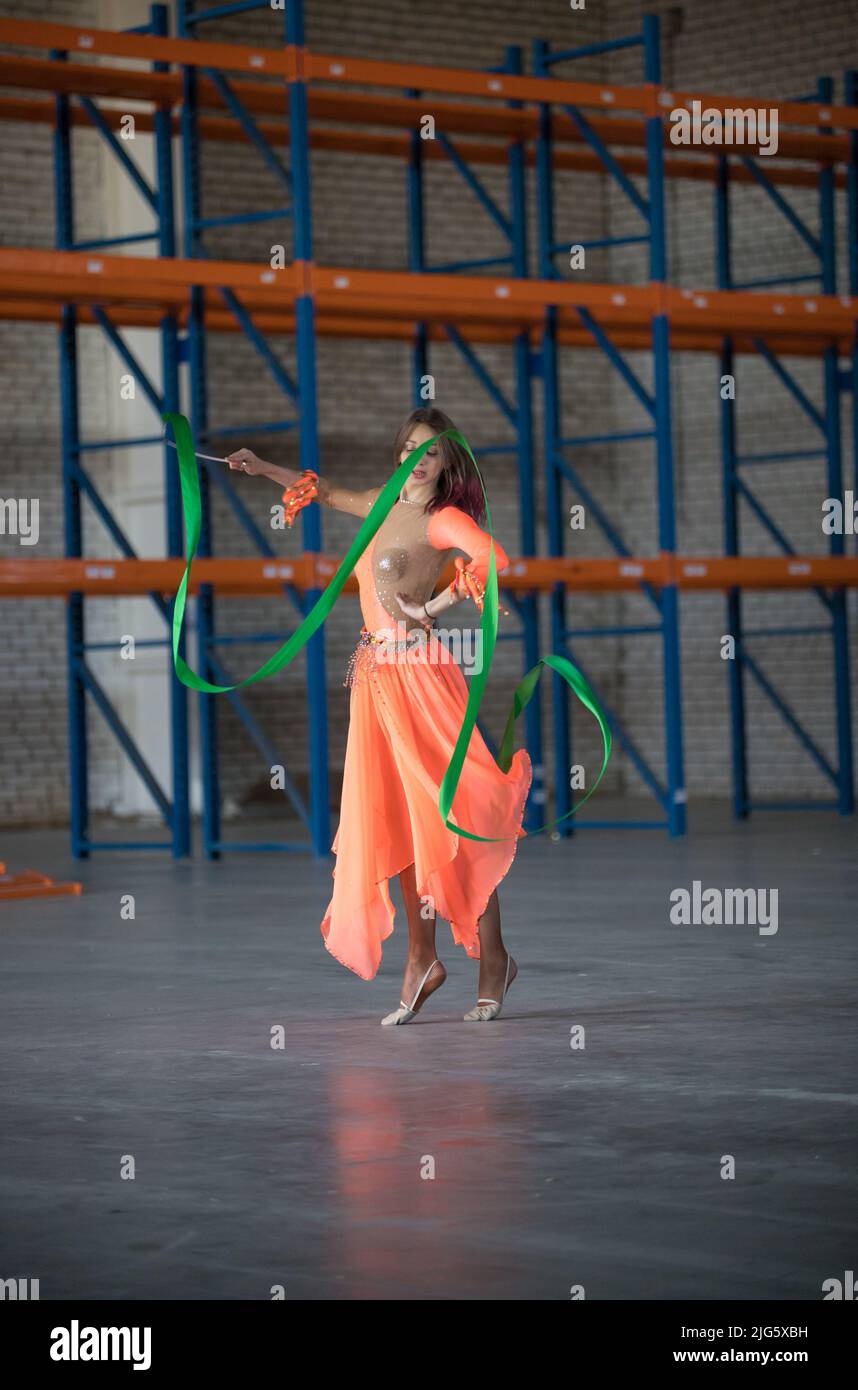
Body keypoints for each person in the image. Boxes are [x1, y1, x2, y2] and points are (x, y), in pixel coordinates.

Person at [226, 406, 532, 1024]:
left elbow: (494, 559)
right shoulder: (379, 505)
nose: (420, 457)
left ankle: (493, 958)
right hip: (372, 680)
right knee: (397, 823)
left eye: (432, 450)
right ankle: (422, 961)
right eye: (412, 446)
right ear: (399, 454)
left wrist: (438, 602)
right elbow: (323, 489)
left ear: (446, 462)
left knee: (451, 817)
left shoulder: (440, 518)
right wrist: (260, 468)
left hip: (421, 676)